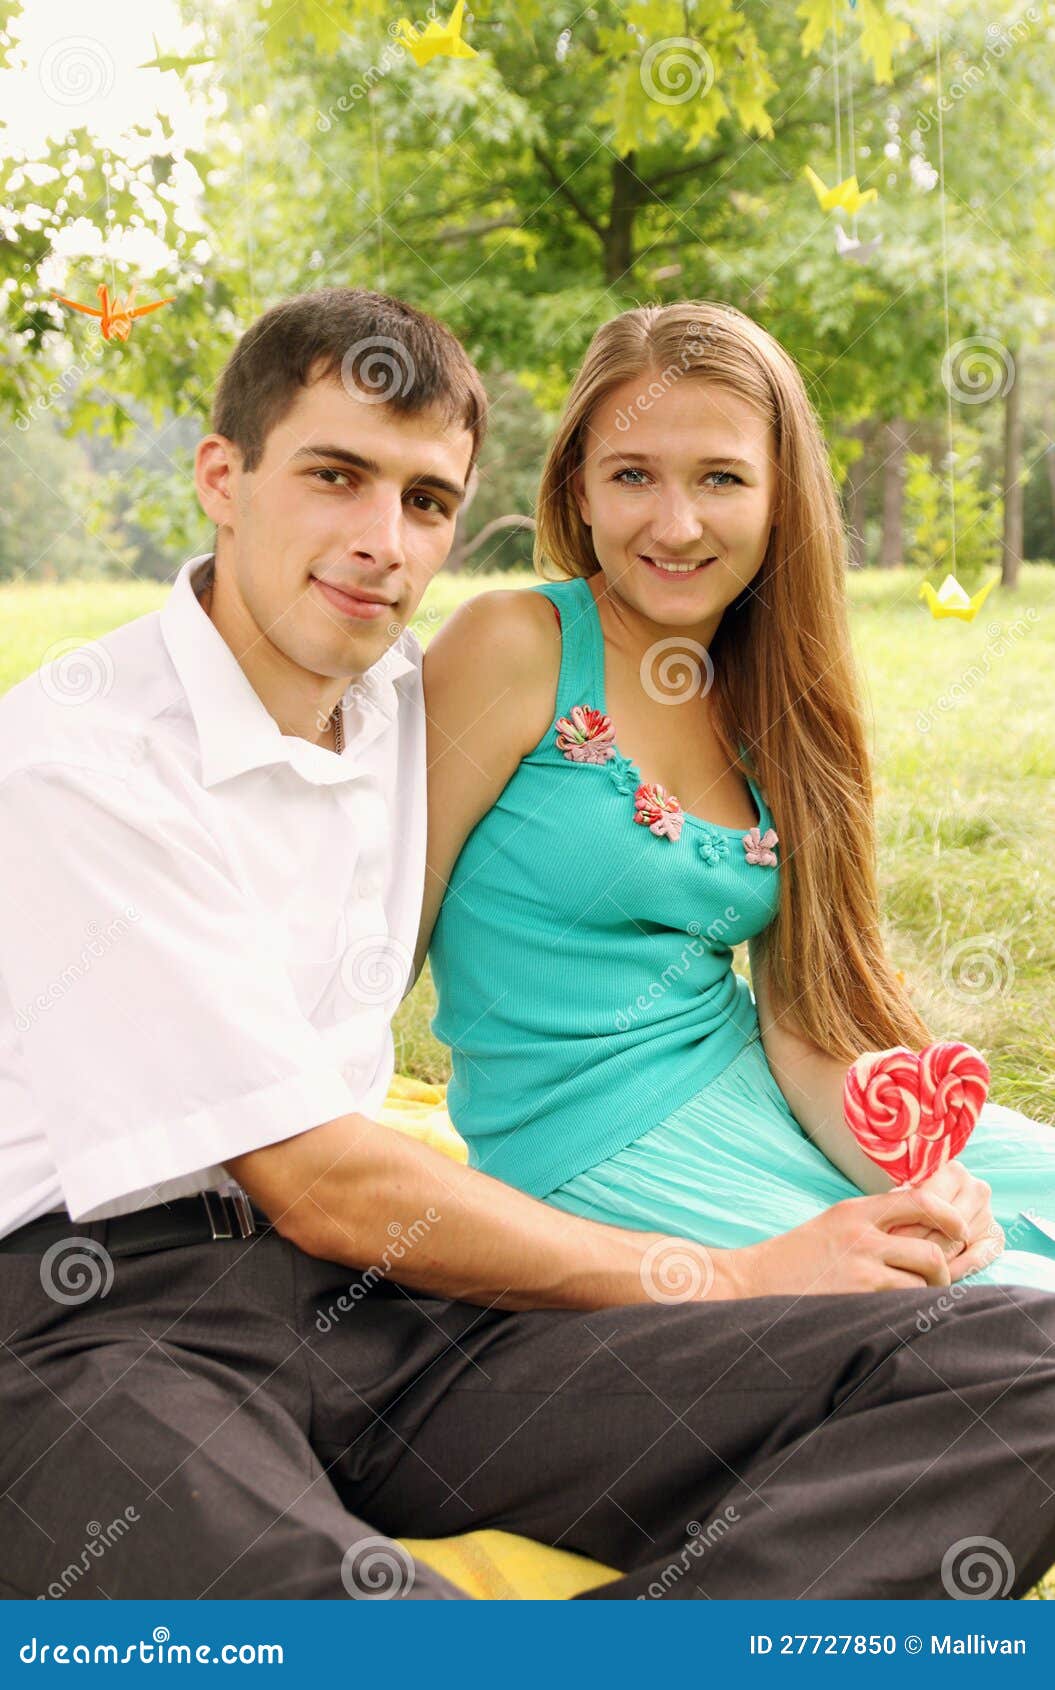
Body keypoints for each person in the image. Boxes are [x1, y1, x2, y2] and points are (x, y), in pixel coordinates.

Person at [1, 288, 1054, 1605]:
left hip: (366, 1312)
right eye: (335, 476)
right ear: (222, 475)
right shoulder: (76, 758)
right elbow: (320, 1177)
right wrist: (730, 1275)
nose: (379, 541)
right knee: (347, 1621)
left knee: (1017, 1362)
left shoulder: (398, 703)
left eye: (424, 500)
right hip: (92, 1313)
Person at [421, 298, 1055, 1294]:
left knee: (1006, 1217)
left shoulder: (773, 700)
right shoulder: (514, 648)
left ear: (777, 498)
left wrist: (922, 1178)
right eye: (631, 475)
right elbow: (369, 945)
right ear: (577, 488)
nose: (675, 525)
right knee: (1005, 1312)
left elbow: (800, 1017)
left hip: (756, 1091)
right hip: (595, 1162)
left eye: (720, 478)